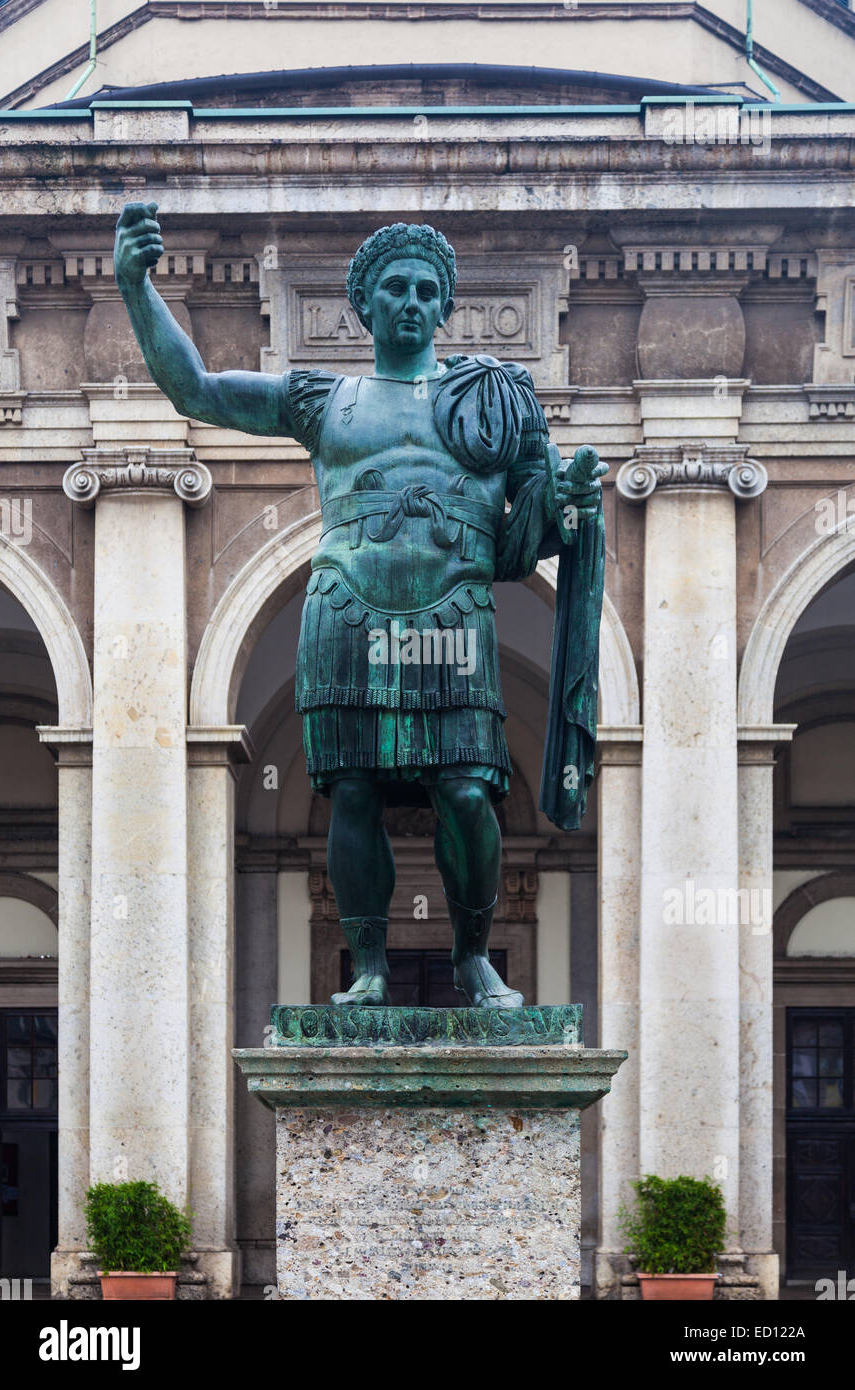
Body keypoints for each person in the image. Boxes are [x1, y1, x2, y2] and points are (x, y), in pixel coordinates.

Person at [115, 204, 606, 1009]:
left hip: (455, 620)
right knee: (351, 792)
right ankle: (370, 964)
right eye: (394, 289)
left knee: (466, 791)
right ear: (366, 305)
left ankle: (473, 956)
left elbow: (529, 539)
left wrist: (570, 502)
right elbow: (197, 391)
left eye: (425, 290)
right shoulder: (324, 402)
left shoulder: (495, 403)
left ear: (444, 306)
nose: (411, 301)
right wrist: (136, 286)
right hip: (347, 616)